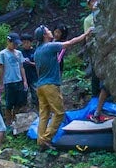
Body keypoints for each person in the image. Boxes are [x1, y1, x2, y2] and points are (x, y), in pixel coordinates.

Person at [31, 24, 88, 153]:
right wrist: (85, 34)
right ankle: (46, 138)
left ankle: (40, 141)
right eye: (48, 31)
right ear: (45, 35)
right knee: (59, 112)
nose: (51, 31)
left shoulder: (37, 52)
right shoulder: (50, 46)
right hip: (51, 85)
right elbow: (70, 43)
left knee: (44, 113)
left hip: (40, 86)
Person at [0, 33, 30, 119]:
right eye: (14, 43)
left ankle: (14, 120)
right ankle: (8, 122)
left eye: (16, 44)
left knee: (19, 102)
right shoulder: (3, 53)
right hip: (8, 81)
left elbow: (21, 67)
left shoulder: (19, 53)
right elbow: (1, 68)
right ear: (8, 41)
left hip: (18, 80)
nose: (15, 45)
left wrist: (25, 81)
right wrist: (1, 83)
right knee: (9, 104)